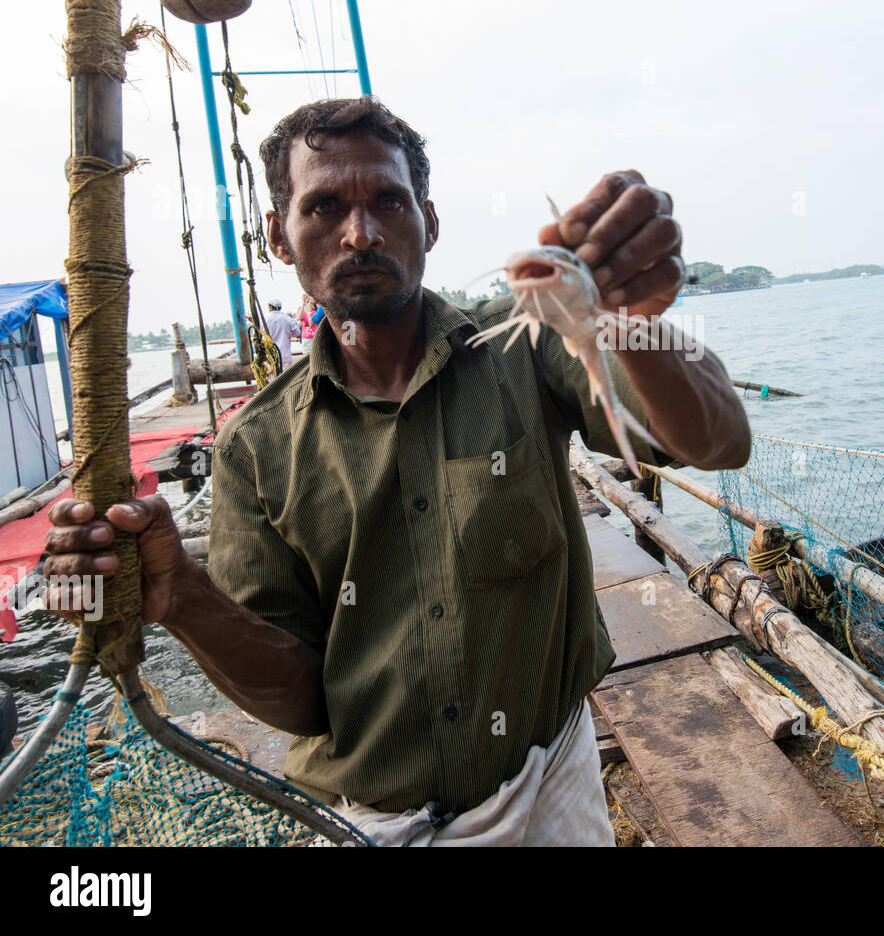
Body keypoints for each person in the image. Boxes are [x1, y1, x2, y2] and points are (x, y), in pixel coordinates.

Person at [43, 96, 750, 846]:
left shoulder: (525, 345)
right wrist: (177, 596)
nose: (360, 231)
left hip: (552, 785)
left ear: (430, 223)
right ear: (281, 240)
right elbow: (301, 698)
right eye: (322, 207)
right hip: (372, 823)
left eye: (388, 198)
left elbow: (718, 441)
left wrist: (625, 321)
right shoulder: (254, 448)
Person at [262, 298, 300, 374]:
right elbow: (298, 333)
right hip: (285, 356)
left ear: (270, 307)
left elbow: (259, 333)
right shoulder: (287, 319)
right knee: (286, 381)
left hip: (270, 356)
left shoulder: (265, 320)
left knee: (272, 380)